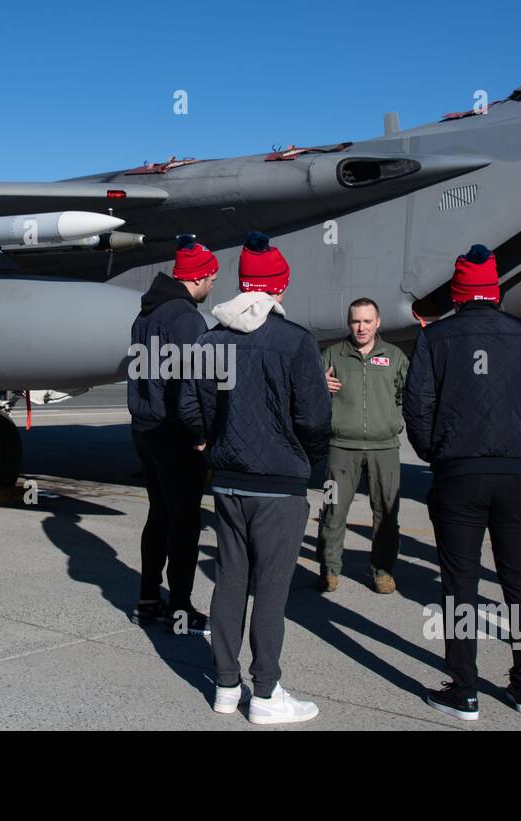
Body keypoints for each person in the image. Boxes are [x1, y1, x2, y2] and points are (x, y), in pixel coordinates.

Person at [180, 232, 332, 724]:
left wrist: (209, 442)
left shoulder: (211, 337)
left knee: (230, 582)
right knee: (271, 589)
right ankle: (265, 694)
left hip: (227, 481)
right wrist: (308, 460)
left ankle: (226, 687)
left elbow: (190, 403)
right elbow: (314, 418)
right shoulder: (295, 341)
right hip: (280, 485)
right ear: (279, 288)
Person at [404, 244, 521, 720]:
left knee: (460, 582)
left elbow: (417, 406)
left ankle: (465, 689)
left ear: (457, 291)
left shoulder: (436, 338)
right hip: (517, 475)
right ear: (494, 290)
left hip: (459, 473)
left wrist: (438, 451)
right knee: (518, 581)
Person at [126, 236, 218, 636]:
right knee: (184, 525)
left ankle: (148, 601)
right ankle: (180, 609)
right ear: (199, 278)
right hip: (174, 433)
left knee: (158, 516)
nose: (213, 286)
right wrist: (199, 434)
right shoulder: (185, 318)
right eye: (212, 278)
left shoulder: (145, 314)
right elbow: (191, 383)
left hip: (144, 428)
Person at [317, 298, 410, 594]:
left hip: (385, 449)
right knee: (333, 510)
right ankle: (329, 570)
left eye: (367, 321)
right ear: (348, 322)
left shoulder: (394, 357)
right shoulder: (332, 355)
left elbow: (404, 395)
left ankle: (383, 572)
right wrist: (320, 386)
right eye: (356, 321)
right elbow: (309, 397)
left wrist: (390, 421)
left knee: (387, 513)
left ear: (378, 322)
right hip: (341, 448)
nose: (362, 327)